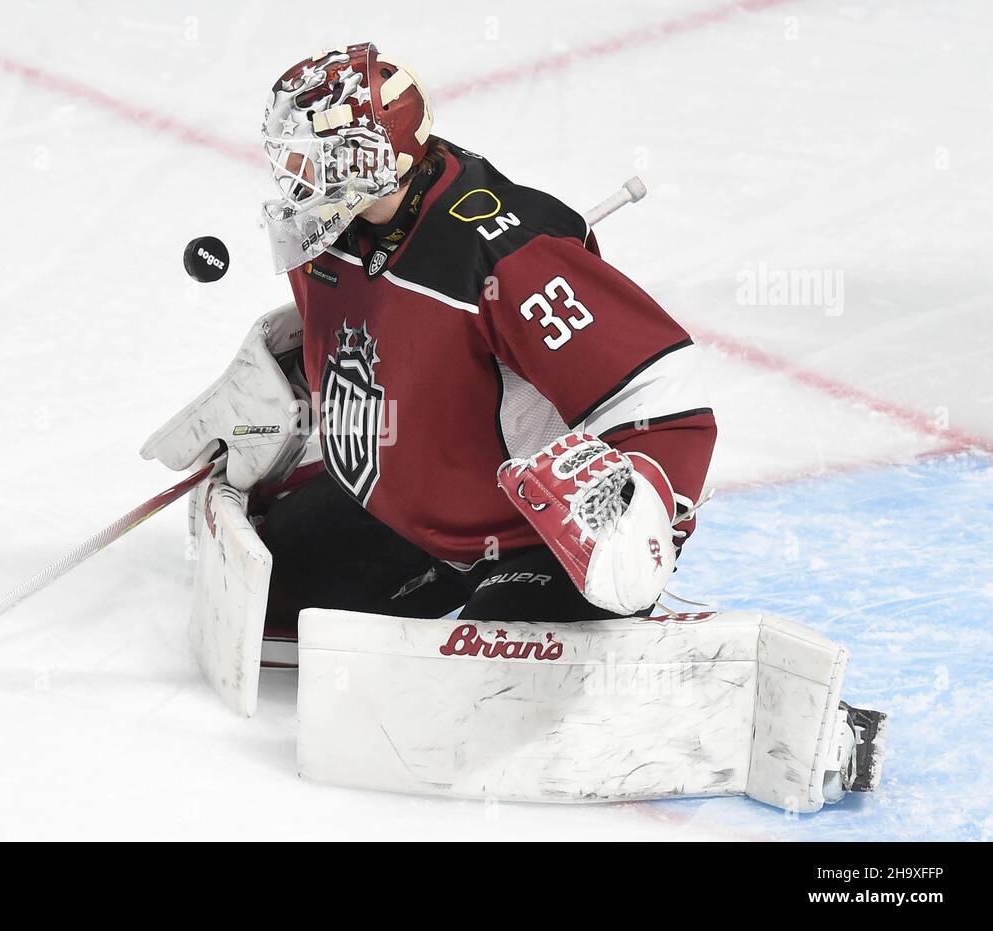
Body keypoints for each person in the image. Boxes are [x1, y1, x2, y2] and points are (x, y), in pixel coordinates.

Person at [161, 42, 718, 632]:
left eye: (313, 161)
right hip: (400, 516)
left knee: (489, 691)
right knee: (262, 594)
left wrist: (647, 514)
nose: (294, 180)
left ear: (368, 158)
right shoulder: (327, 231)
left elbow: (659, 390)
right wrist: (285, 393)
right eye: (290, 160)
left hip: (525, 538)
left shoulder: (503, 255)